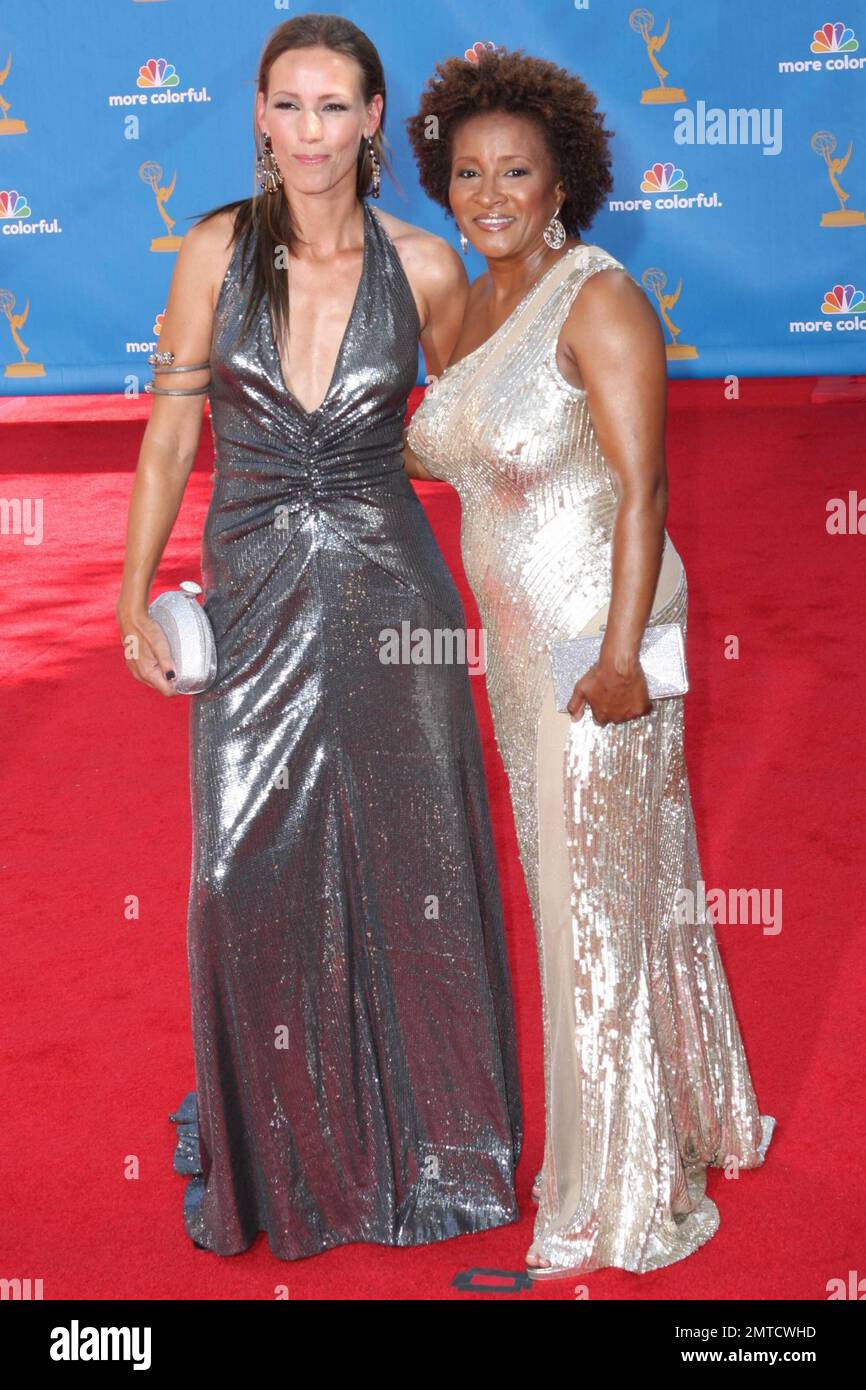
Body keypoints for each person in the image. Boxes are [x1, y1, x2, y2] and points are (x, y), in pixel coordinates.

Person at [115, 14, 522, 1261]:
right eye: (286, 105)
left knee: (418, 876)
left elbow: (468, 437)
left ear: (373, 119)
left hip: (392, 602)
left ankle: (436, 1150)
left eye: (332, 107)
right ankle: (281, 1148)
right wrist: (133, 592)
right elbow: (173, 435)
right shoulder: (211, 253)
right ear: (256, 116)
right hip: (248, 601)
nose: (307, 133)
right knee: (243, 877)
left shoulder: (426, 268)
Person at [404, 46, 775, 1279]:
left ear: (564, 179)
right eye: (467, 172)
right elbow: (445, 444)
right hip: (519, 645)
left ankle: (608, 1202)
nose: (490, 191)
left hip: (598, 636)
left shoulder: (596, 297)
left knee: (590, 914)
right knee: (617, 886)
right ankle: (695, 1107)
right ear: (440, 182)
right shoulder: (468, 298)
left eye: (516, 170)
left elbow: (642, 489)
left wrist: (619, 660)